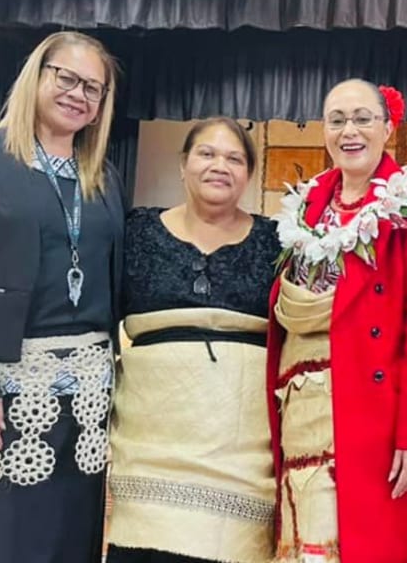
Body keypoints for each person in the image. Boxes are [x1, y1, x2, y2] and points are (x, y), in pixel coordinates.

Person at [0, 31, 124, 563]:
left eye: (94, 88)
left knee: (66, 543)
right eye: (68, 78)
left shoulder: (103, 178)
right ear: (38, 74)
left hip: (84, 401)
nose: (79, 94)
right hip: (2, 393)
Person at [266, 79, 407, 563]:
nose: (350, 131)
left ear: (388, 127)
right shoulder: (308, 205)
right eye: (337, 119)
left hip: (370, 413)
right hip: (300, 405)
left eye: (363, 118)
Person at [106, 117, 281, 563]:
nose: (219, 165)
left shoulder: (275, 241)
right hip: (149, 450)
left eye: (234, 158)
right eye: (206, 153)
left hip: (242, 457)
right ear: (183, 164)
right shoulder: (138, 232)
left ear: (249, 173)